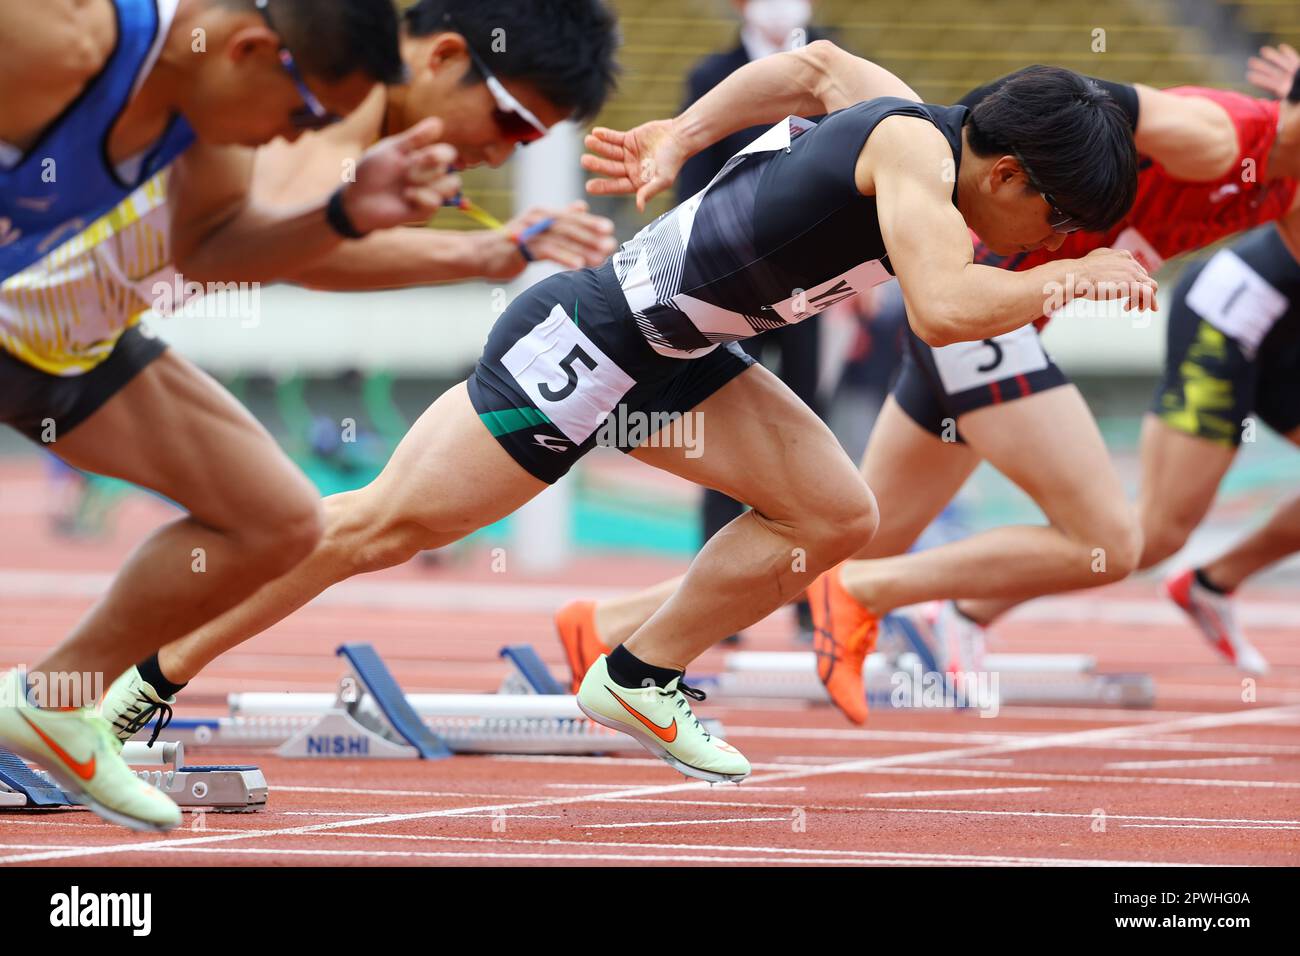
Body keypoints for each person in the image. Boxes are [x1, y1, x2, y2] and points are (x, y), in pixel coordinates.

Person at [96, 39, 1153, 785]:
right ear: (1008, 168)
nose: (1046, 244)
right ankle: (133, 684)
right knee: (371, 529)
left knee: (835, 512)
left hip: (683, 355)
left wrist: (677, 136)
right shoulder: (919, 158)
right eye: (1054, 222)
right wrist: (1079, 280)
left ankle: (638, 673)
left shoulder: (906, 117)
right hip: (592, 340)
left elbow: (814, 64)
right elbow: (945, 303)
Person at [551, 52, 1300, 726]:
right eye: (1060, 216)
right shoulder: (1217, 139)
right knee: (1110, 541)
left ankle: (609, 624)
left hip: (997, 318)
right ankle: (868, 597)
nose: (1060, 232)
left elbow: (820, 68)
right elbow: (1043, 105)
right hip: (974, 315)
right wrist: (1027, 245)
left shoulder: (1286, 192)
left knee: (852, 530)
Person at [99, 0, 622, 743]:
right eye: (511, 122)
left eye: (530, 139)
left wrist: (484, 250)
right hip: (43, 313)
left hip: (76, 330)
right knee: (269, 516)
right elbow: (282, 238)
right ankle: (85, 700)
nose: (505, 155)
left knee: (272, 516)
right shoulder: (350, 93)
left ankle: (89, 700)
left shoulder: (361, 124)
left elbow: (296, 252)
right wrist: (480, 253)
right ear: (442, 57)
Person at [0, 0, 462, 832]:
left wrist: (344, 215)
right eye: (304, 114)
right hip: (30, 322)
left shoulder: (202, 109)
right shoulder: (55, 38)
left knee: (276, 520)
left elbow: (212, 252)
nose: (297, 140)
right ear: (251, 50)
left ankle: (53, 702)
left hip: (61, 344)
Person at [680, 1, 834, 647]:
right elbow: (691, 174)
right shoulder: (711, 75)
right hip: (731, 280)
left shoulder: (833, 67)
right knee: (721, 433)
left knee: (807, 428)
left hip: (813, 280)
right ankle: (713, 605)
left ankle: (809, 599)